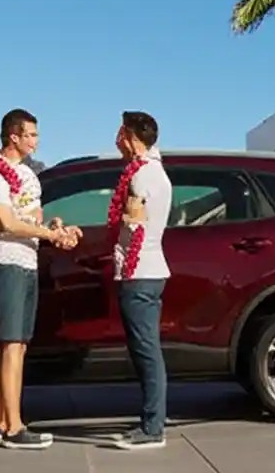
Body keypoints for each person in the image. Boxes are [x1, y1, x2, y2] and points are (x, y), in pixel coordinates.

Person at [0, 108, 81, 450]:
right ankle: (14, 428)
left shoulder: (30, 176)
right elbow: (5, 222)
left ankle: (0, 420)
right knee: (9, 343)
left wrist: (56, 230)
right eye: (32, 135)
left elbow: (35, 220)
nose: (36, 141)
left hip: (28, 261)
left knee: (18, 344)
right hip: (6, 261)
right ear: (14, 136)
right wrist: (48, 235)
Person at [108, 110, 173, 450]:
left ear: (131, 137)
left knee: (147, 350)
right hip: (147, 271)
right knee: (146, 349)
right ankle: (151, 423)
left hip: (140, 273)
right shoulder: (153, 172)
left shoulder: (142, 177)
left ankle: (152, 429)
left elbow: (136, 220)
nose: (116, 139)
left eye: (119, 133)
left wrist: (125, 214)